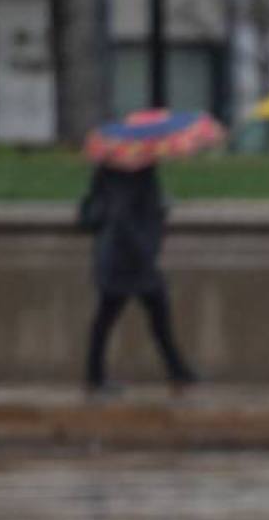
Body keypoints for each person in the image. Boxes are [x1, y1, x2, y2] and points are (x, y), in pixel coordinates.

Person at [76, 164, 197, 392]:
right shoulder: (135, 172)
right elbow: (124, 216)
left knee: (146, 314)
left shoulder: (111, 171)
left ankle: (177, 369)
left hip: (120, 258)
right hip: (128, 261)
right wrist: (145, 249)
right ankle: (176, 370)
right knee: (119, 316)